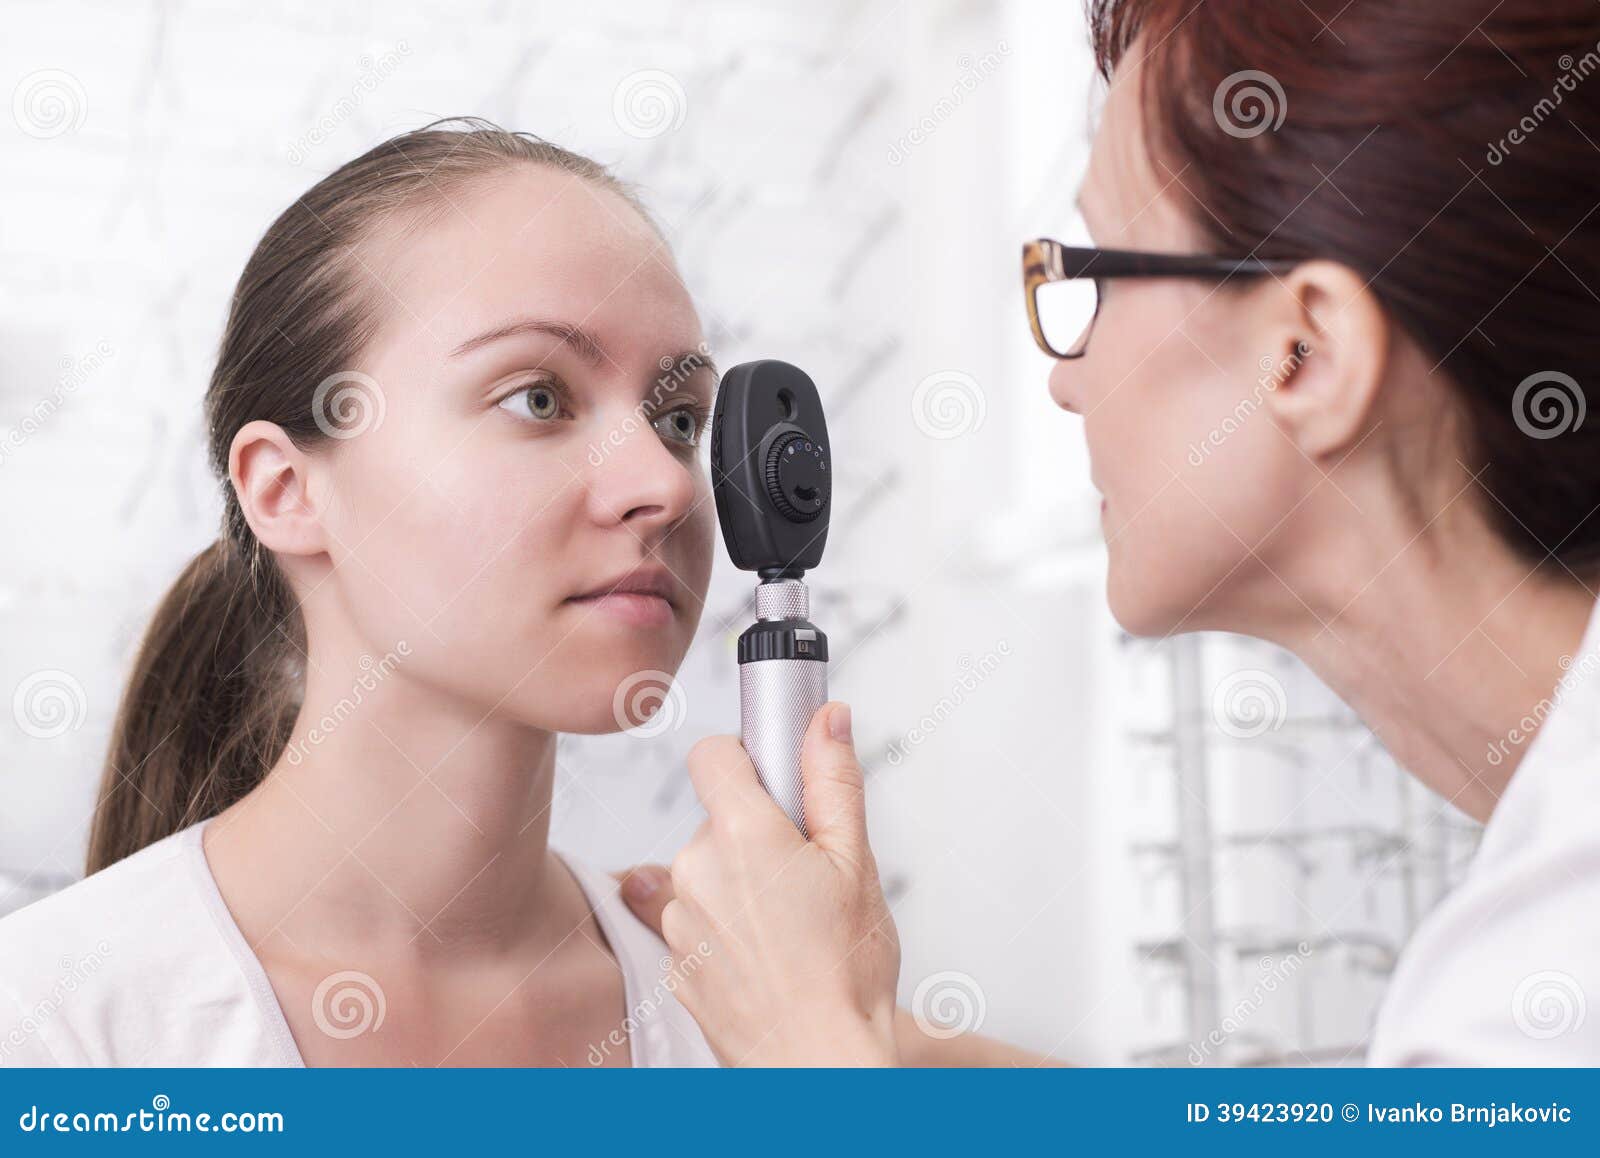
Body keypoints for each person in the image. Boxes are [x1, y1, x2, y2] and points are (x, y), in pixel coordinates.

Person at [618, 0, 1600, 1066]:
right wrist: (848, 1034)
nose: (1064, 378)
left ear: (1305, 355)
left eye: (1094, 274)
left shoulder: (1531, 992)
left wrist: (801, 1048)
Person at [0, 120, 719, 1068]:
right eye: (537, 398)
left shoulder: (739, 1012)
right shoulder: (55, 1034)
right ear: (287, 491)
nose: (664, 485)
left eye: (676, 419)